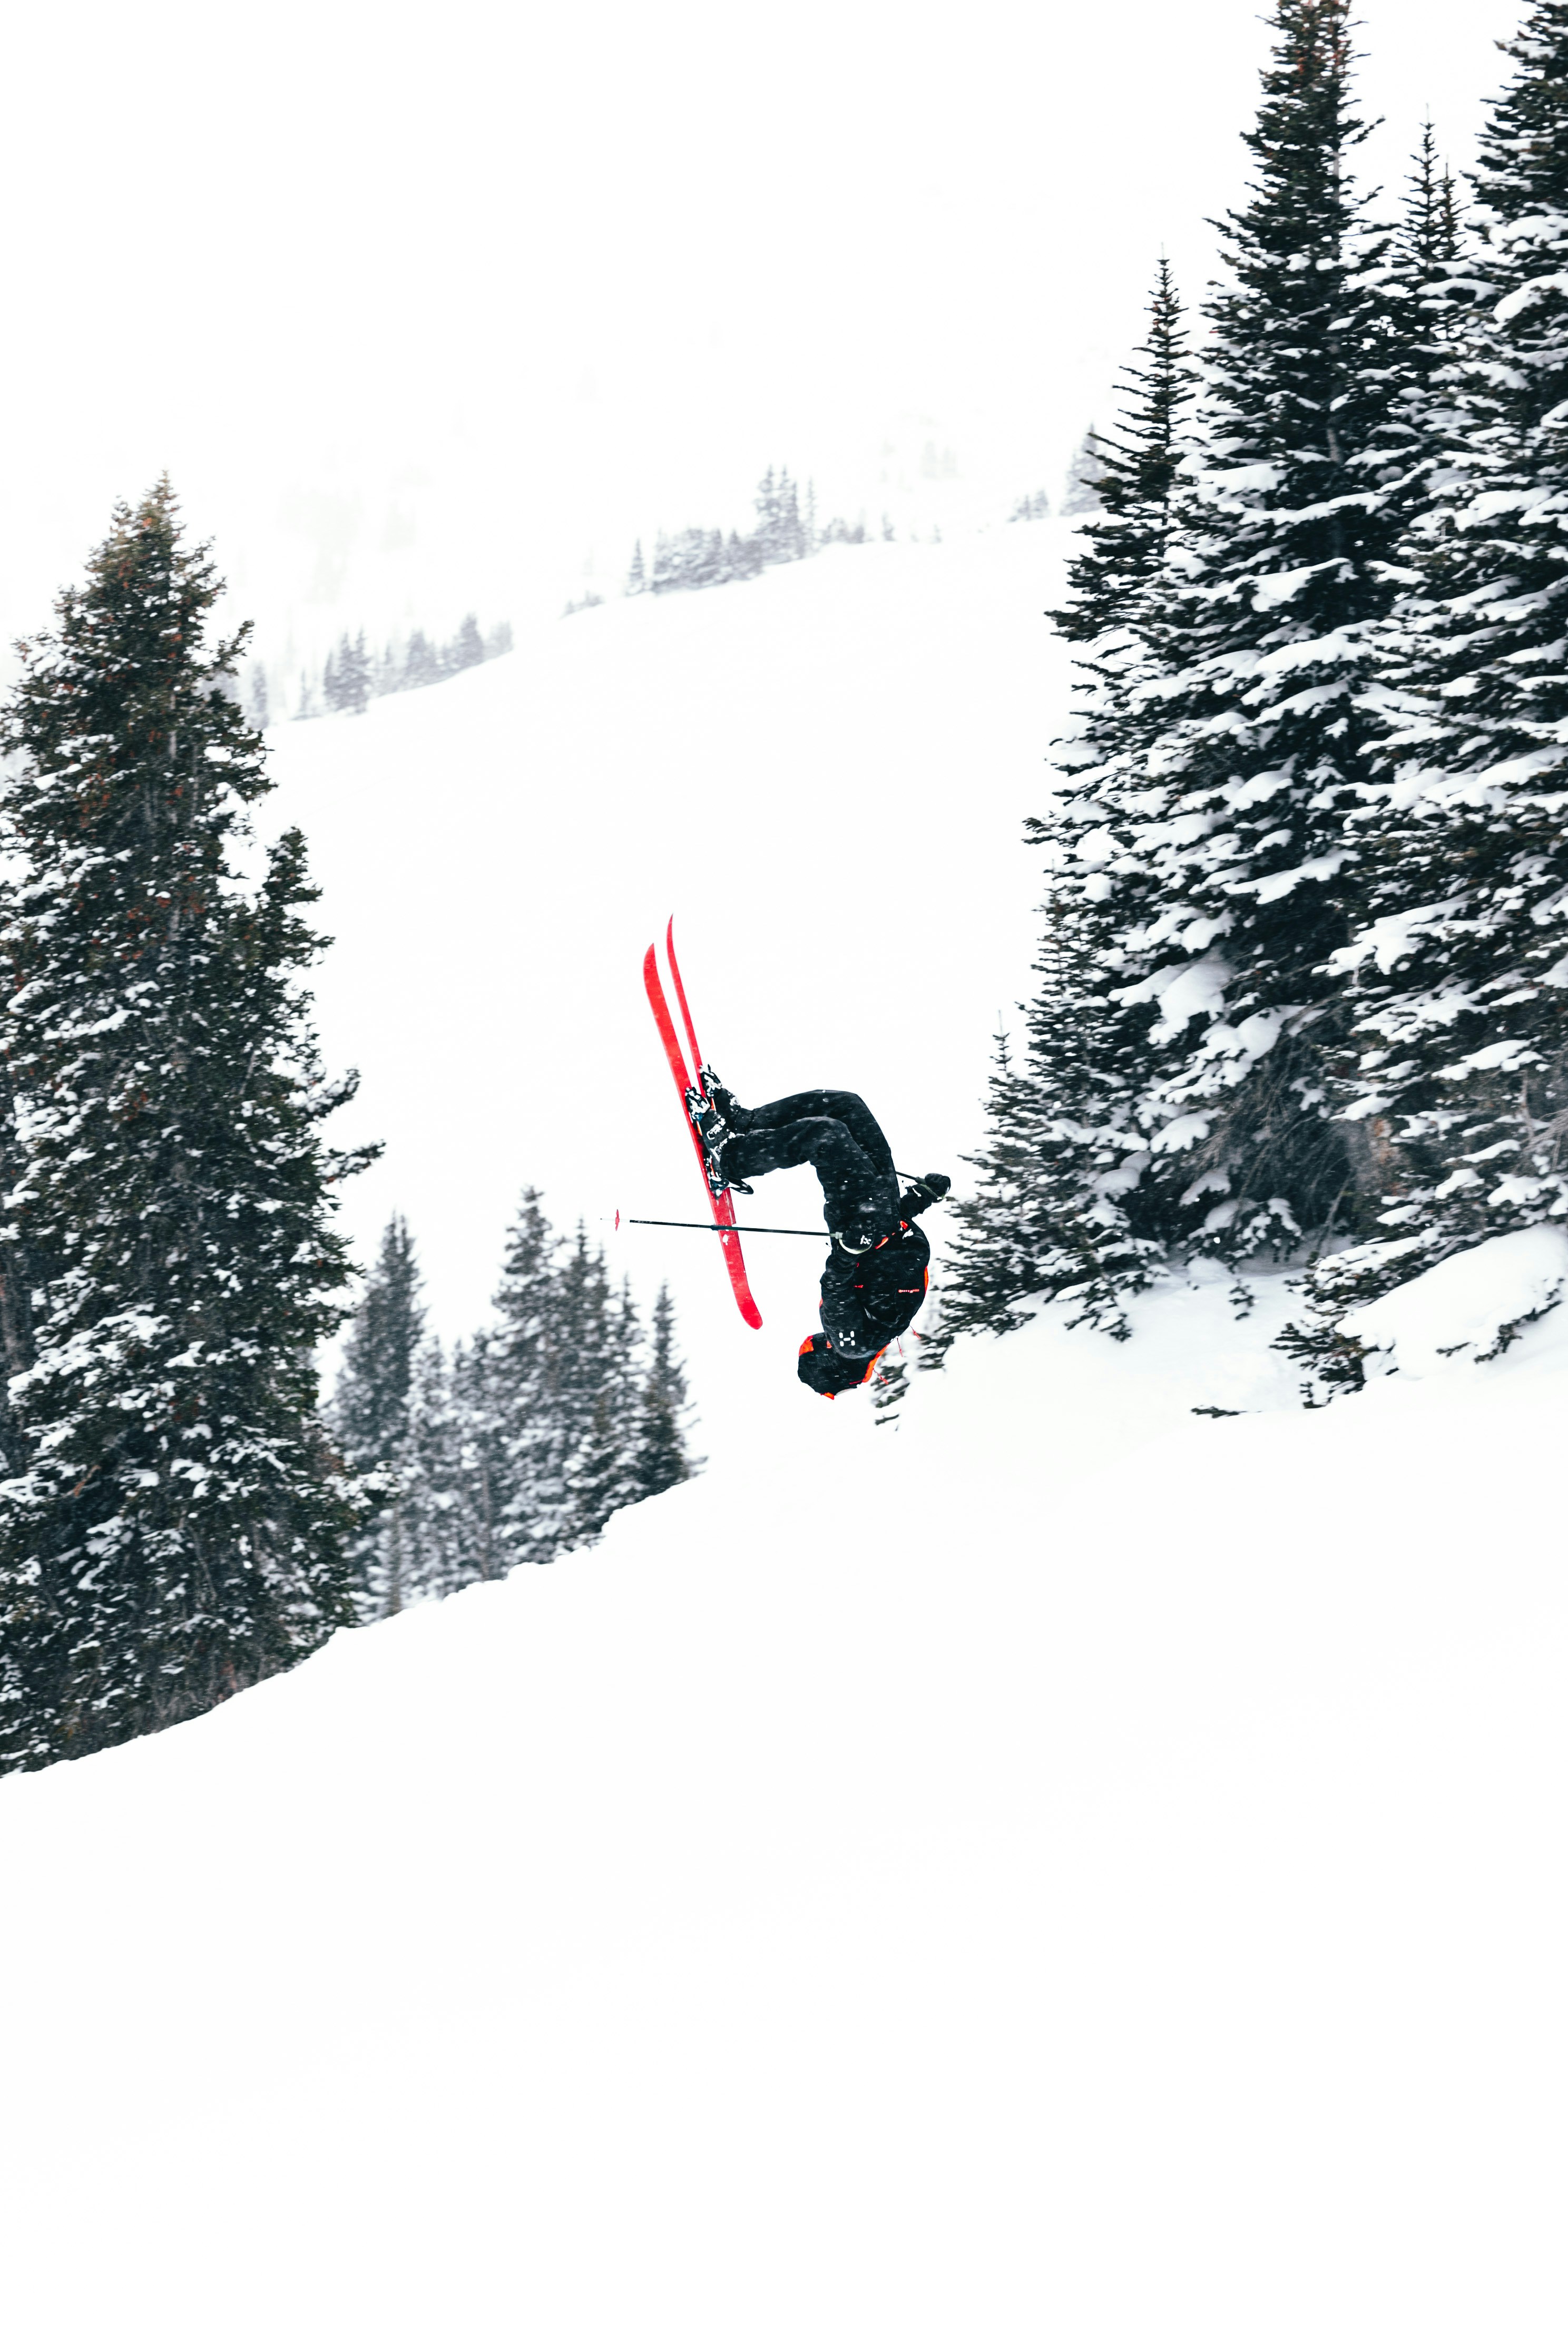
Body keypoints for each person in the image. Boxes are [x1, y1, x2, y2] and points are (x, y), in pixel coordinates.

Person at [687, 1070, 949, 1398]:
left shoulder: (849, 1342)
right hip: (879, 1216)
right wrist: (920, 1199)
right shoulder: (857, 1344)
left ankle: (731, 1160)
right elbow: (892, 1257)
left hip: (863, 1221)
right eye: (815, 1345)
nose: (821, 1337)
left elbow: (836, 1282)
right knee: (847, 1108)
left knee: (827, 1135)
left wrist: (848, 1251)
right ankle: (745, 1123)